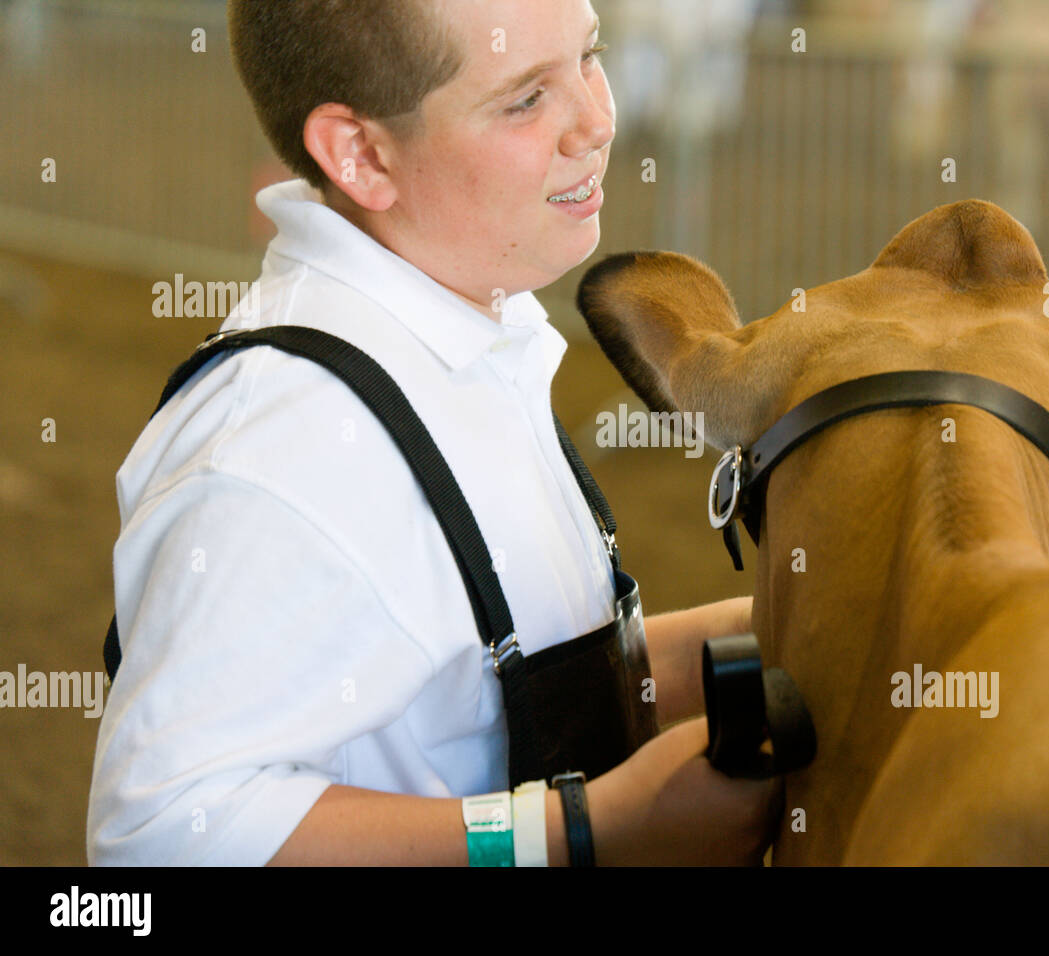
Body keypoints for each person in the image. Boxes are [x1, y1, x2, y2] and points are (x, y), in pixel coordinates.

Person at [86, 0, 784, 866]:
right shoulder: (280, 443)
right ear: (361, 153)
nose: (600, 120)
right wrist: (580, 831)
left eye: (590, 54)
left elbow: (492, 684)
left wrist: (798, 627)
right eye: (526, 99)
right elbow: (163, 830)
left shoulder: (464, 322)